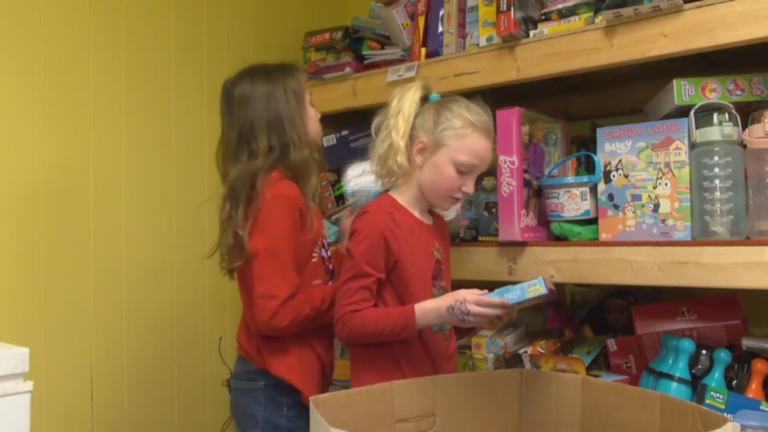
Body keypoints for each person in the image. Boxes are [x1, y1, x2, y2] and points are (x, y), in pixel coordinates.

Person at [333, 79, 514, 389]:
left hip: (434, 395)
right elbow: (348, 323)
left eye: (477, 176)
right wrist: (440, 309)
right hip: (390, 402)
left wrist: (470, 319)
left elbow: (430, 324)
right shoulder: (377, 221)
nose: (470, 188)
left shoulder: (437, 224)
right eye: (462, 171)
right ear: (420, 152)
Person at [212, 63, 335, 432]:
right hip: (275, 387)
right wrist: (344, 292)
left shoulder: (282, 191)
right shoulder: (278, 196)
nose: (319, 113)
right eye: (310, 103)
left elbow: (305, 271)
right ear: (285, 120)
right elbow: (274, 313)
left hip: (280, 384)